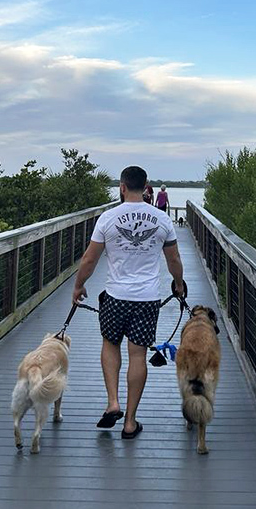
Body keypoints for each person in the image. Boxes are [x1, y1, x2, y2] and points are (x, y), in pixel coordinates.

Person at [72, 165, 184, 440]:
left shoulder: (108, 218)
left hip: (115, 296)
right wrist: (179, 285)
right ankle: (130, 422)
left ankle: (113, 402)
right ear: (146, 188)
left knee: (110, 344)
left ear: (121, 187)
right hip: (147, 298)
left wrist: (78, 286)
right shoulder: (161, 219)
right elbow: (174, 260)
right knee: (138, 355)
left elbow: (89, 259)